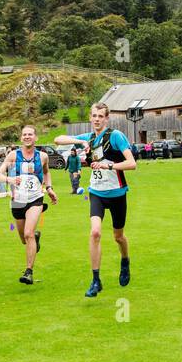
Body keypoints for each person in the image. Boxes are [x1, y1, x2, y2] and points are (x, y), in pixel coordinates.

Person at [56, 102, 137, 298]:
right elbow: (58, 139)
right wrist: (81, 143)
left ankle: (125, 261)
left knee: (118, 237)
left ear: (106, 118)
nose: (97, 119)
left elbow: (132, 163)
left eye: (101, 116)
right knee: (95, 232)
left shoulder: (115, 136)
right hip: (97, 193)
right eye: (94, 116)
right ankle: (95, 280)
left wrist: (108, 167)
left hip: (117, 194)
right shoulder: (89, 138)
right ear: (90, 118)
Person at [0, 125, 57, 285]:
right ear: (21, 138)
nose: (27, 137)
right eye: (24, 134)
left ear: (36, 137)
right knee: (24, 239)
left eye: (30, 134)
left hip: (35, 199)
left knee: (28, 233)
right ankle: (35, 239)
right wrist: (10, 179)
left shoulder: (43, 156)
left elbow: (46, 172)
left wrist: (49, 188)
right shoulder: (13, 155)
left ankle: (29, 271)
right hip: (18, 201)